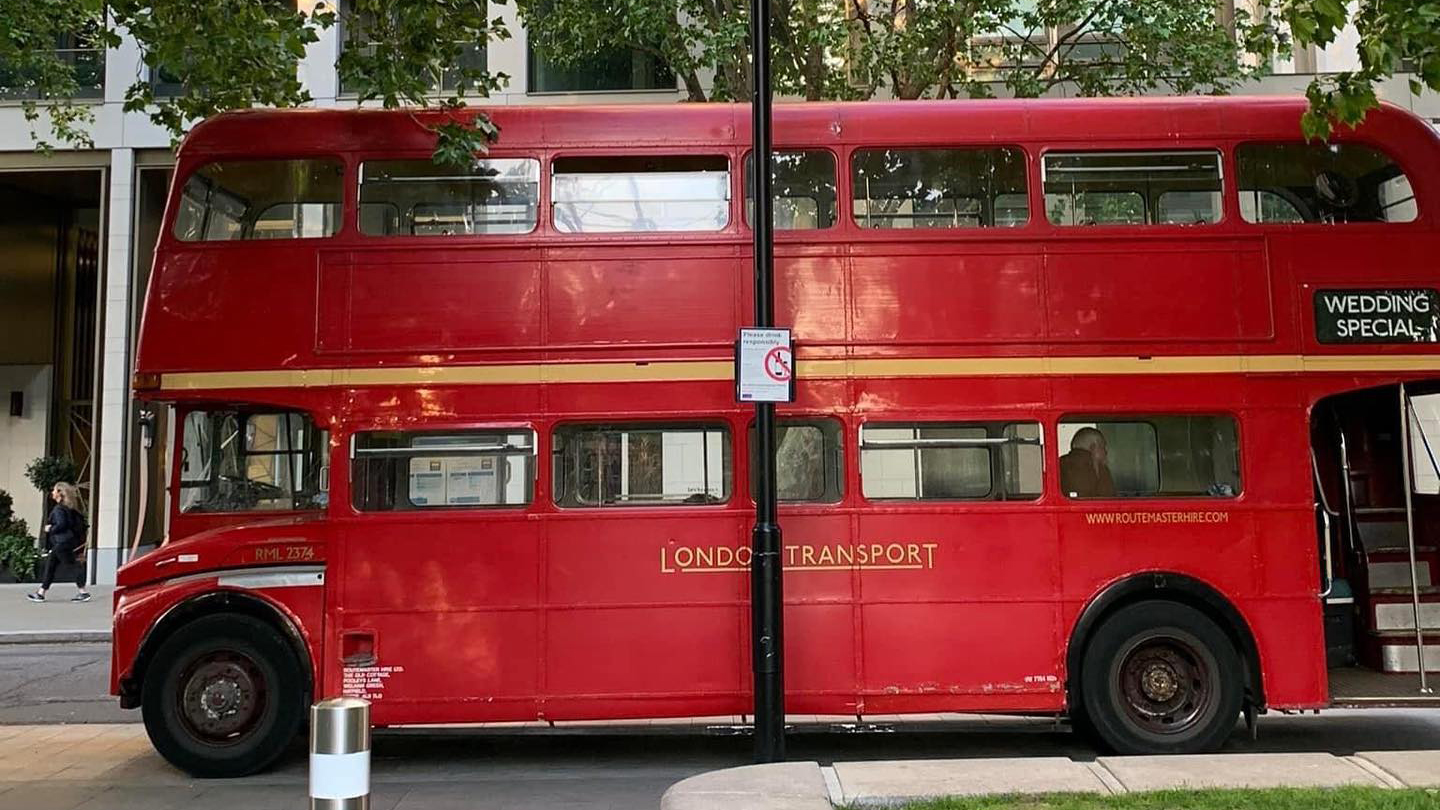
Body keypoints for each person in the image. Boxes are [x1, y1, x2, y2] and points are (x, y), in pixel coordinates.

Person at [26, 482, 91, 603]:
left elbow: (62, 524)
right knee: (51, 565)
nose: (52, 493)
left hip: (62, 543)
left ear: (60, 493)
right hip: (67, 542)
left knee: (72, 565)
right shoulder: (69, 508)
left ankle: (83, 592)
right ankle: (41, 593)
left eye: (54, 490)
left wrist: (50, 528)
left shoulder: (58, 509)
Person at [1059, 427, 1116, 498]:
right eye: (1103, 447)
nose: (1106, 452)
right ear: (1093, 447)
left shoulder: (1058, 464)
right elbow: (1109, 498)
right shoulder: (1099, 468)